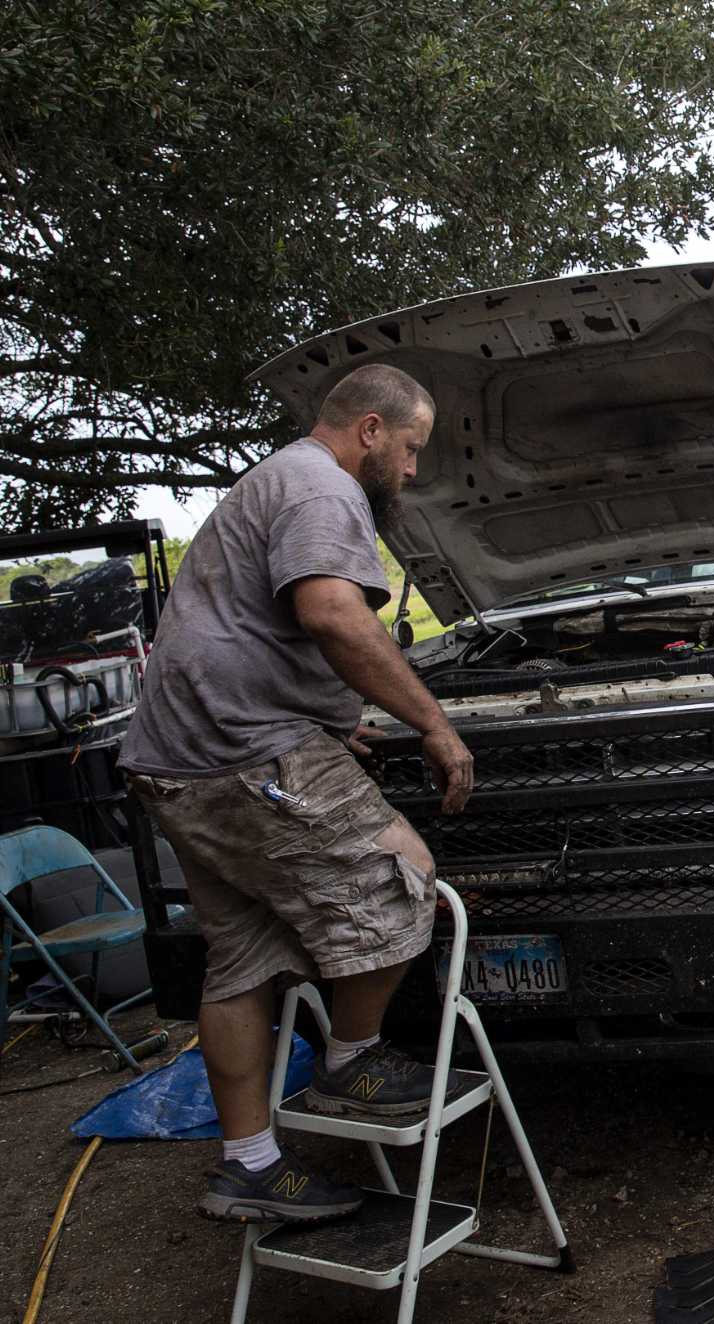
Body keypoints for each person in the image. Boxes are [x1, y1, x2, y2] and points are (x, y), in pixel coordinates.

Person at [121, 363, 476, 1225]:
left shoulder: (275, 477)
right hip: (242, 754)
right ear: (369, 432)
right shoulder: (324, 489)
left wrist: (322, 713)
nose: (414, 470)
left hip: (180, 758)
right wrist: (432, 722)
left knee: (242, 957)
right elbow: (330, 612)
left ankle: (247, 1165)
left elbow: (254, 628)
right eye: (411, 448)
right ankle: (352, 1060)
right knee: (404, 876)